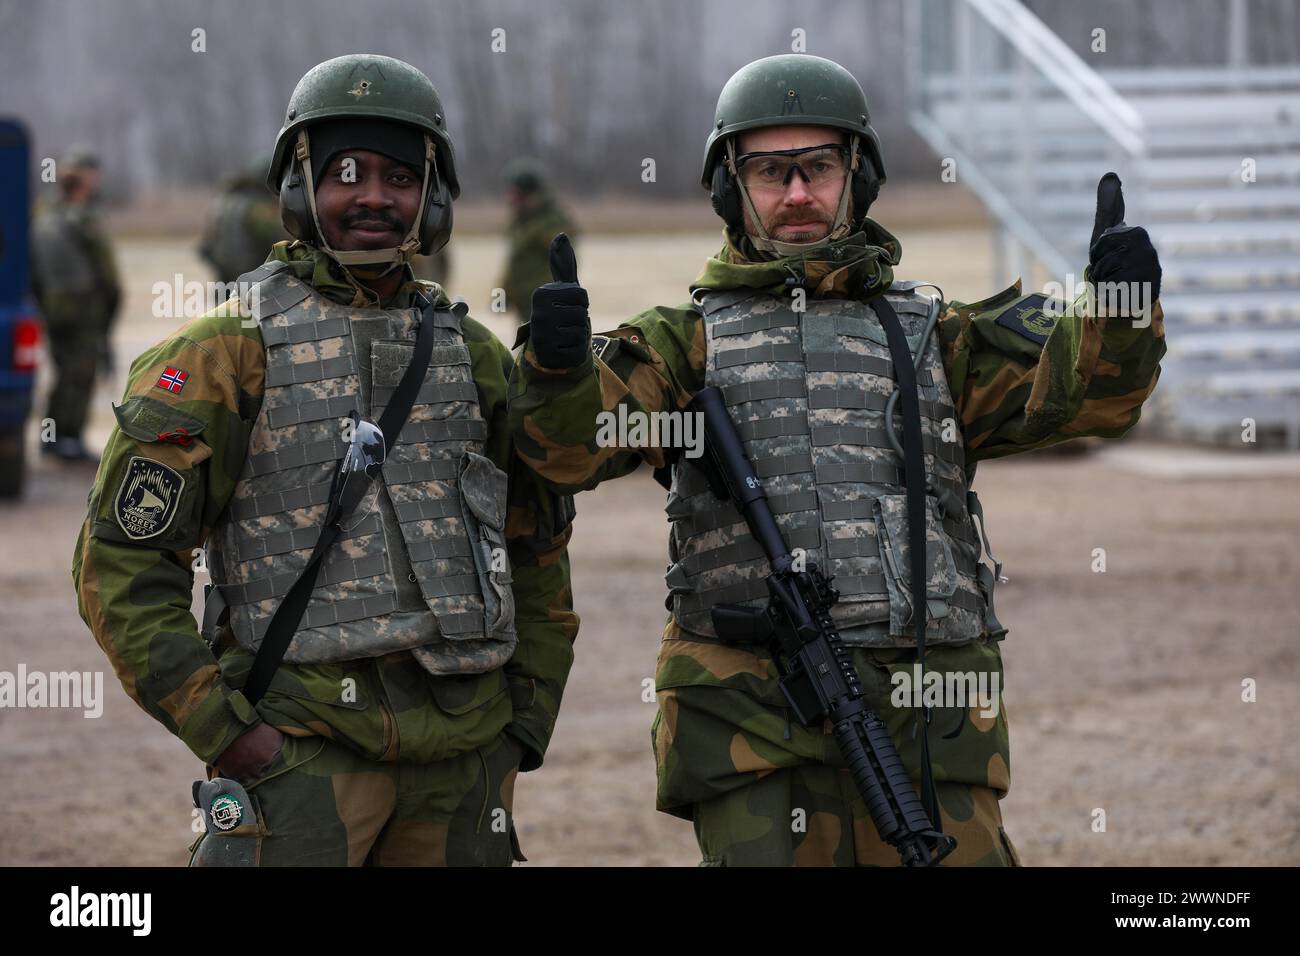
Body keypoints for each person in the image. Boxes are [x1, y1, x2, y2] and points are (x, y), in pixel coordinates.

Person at [510, 54, 1165, 866]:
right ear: (729, 187)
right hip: (752, 722)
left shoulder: (934, 334)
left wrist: (1118, 314)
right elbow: (570, 451)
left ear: (858, 177)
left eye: (817, 167)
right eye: (768, 171)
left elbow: (1086, 402)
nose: (795, 193)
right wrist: (555, 370)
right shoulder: (683, 343)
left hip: (928, 716)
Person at [73, 54, 579, 867]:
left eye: (399, 176)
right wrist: (226, 734)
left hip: (463, 764)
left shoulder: (476, 359)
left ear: (434, 197)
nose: (373, 195)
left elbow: (539, 544)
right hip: (299, 762)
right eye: (345, 172)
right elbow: (120, 564)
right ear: (300, 186)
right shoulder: (221, 352)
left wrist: (524, 721)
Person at [30, 146, 121, 462]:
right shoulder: (83, 218)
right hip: (83, 308)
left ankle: (50, 437)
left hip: (53, 307)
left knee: (62, 373)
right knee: (80, 373)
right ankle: (69, 438)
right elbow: (107, 273)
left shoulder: (42, 215)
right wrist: (111, 305)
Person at [500, 158, 575, 323]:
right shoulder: (521, 219)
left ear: (528, 195)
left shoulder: (553, 220)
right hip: (525, 301)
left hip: (546, 301)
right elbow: (516, 260)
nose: (510, 198)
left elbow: (563, 254)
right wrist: (505, 293)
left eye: (515, 193)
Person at [197, 155, 289, 287]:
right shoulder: (257, 206)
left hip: (223, 277)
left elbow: (208, 243)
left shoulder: (224, 199)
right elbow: (277, 240)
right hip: (248, 279)